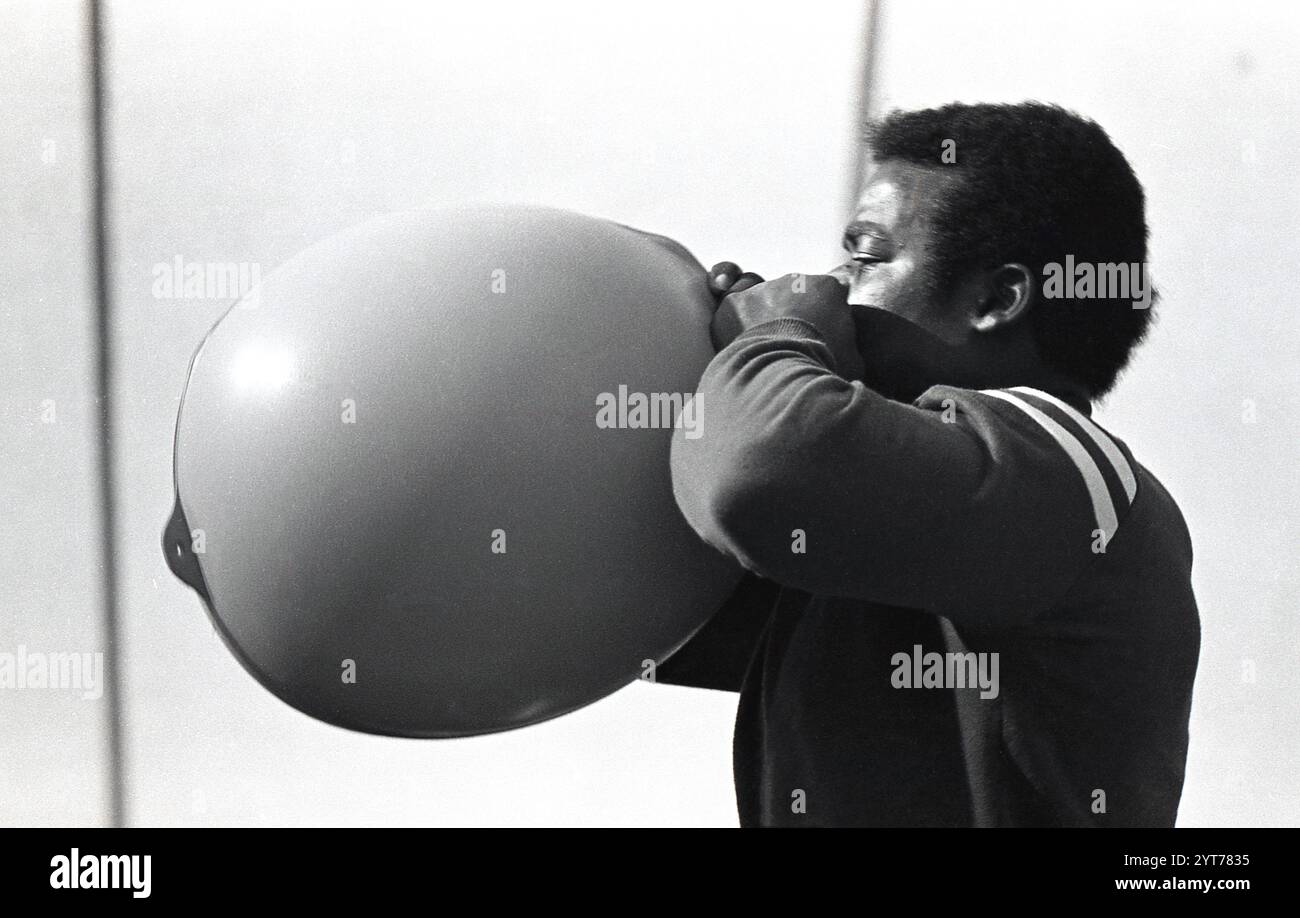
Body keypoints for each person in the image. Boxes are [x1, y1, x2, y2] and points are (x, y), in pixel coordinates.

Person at [657, 101, 1201, 827]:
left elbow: (754, 471)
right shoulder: (905, 505)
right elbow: (640, 600)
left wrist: (773, 343)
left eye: (866, 257)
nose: (833, 286)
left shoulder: (1067, 465)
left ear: (996, 299)